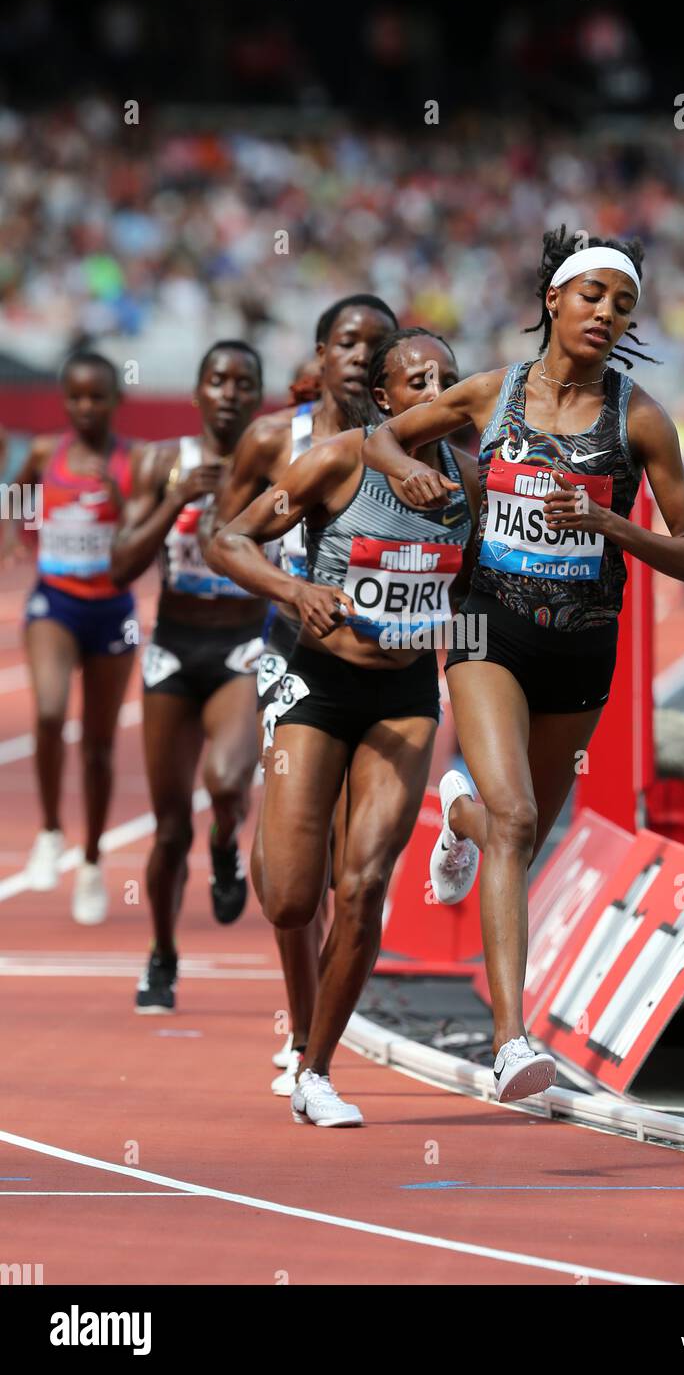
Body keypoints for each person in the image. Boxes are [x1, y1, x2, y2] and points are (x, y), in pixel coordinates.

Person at [363, 230, 684, 1103]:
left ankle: (456, 815)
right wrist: (409, 475)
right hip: (487, 626)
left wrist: (609, 528)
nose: (607, 314)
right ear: (553, 300)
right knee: (517, 819)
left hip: (582, 646)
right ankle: (510, 1043)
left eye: (623, 304)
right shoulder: (492, 393)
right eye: (592, 295)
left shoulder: (639, 418)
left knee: (518, 830)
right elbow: (381, 440)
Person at [209, 327, 479, 1125]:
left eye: (449, 381)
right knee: (293, 901)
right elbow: (229, 540)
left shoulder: (471, 481)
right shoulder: (336, 463)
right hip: (316, 685)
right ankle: (273, 819)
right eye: (417, 380)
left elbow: (472, 603)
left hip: (404, 700)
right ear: (387, 398)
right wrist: (295, 595)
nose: (435, 392)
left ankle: (316, 1070)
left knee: (361, 887)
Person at [206, 295, 397, 1086]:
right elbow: (226, 538)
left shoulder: (409, 443)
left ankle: (316, 1039)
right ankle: (300, 1026)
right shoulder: (270, 440)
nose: (358, 355)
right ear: (319, 354)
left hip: (389, 668)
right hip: (292, 651)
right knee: (295, 872)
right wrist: (287, 590)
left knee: (354, 871)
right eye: (346, 342)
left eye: (374, 347)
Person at [111, 341, 267, 1012]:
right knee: (170, 828)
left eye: (243, 384)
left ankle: (228, 839)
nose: (229, 394)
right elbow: (120, 565)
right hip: (174, 650)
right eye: (218, 381)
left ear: (259, 398)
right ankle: (163, 955)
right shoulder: (157, 461)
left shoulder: (274, 463)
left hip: (241, 645)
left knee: (227, 784)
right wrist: (176, 495)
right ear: (199, 391)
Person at [11, 351, 138, 924]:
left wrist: (121, 502)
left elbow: (145, 533)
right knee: (48, 712)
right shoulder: (45, 452)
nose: (85, 407)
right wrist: (22, 539)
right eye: (76, 397)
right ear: (65, 401)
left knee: (99, 746)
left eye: (97, 396)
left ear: (116, 400)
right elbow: (18, 494)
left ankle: (90, 861)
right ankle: (49, 830)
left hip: (112, 610)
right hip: (55, 603)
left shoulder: (134, 461)